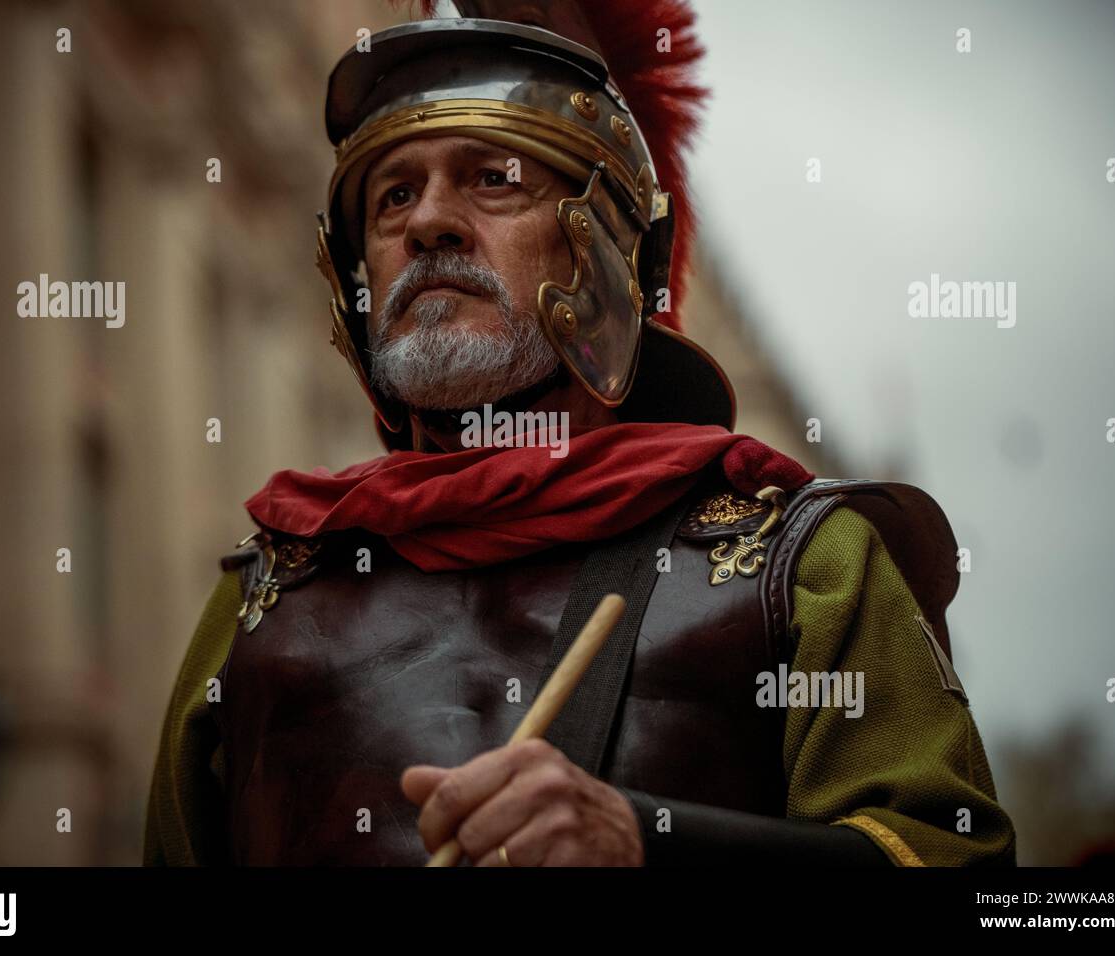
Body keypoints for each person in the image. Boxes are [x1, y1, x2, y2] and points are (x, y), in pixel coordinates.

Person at [143, 3, 1016, 867]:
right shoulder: (265, 595)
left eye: (493, 179)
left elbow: (961, 869)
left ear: (600, 255)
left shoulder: (805, 565)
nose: (426, 223)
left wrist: (650, 847)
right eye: (394, 196)